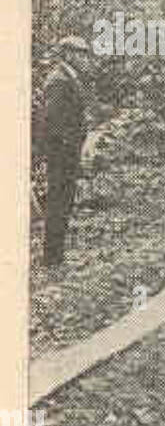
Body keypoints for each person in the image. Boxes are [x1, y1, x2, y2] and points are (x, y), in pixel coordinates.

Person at [36, 36, 93, 268]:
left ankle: (56, 257)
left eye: (85, 53)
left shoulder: (68, 77)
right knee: (58, 203)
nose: (85, 58)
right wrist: (69, 147)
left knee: (63, 202)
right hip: (61, 154)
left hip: (67, 153)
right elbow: (53, 122)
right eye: (81, 53)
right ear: (68, 54)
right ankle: (52, 259)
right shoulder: (59, 80)